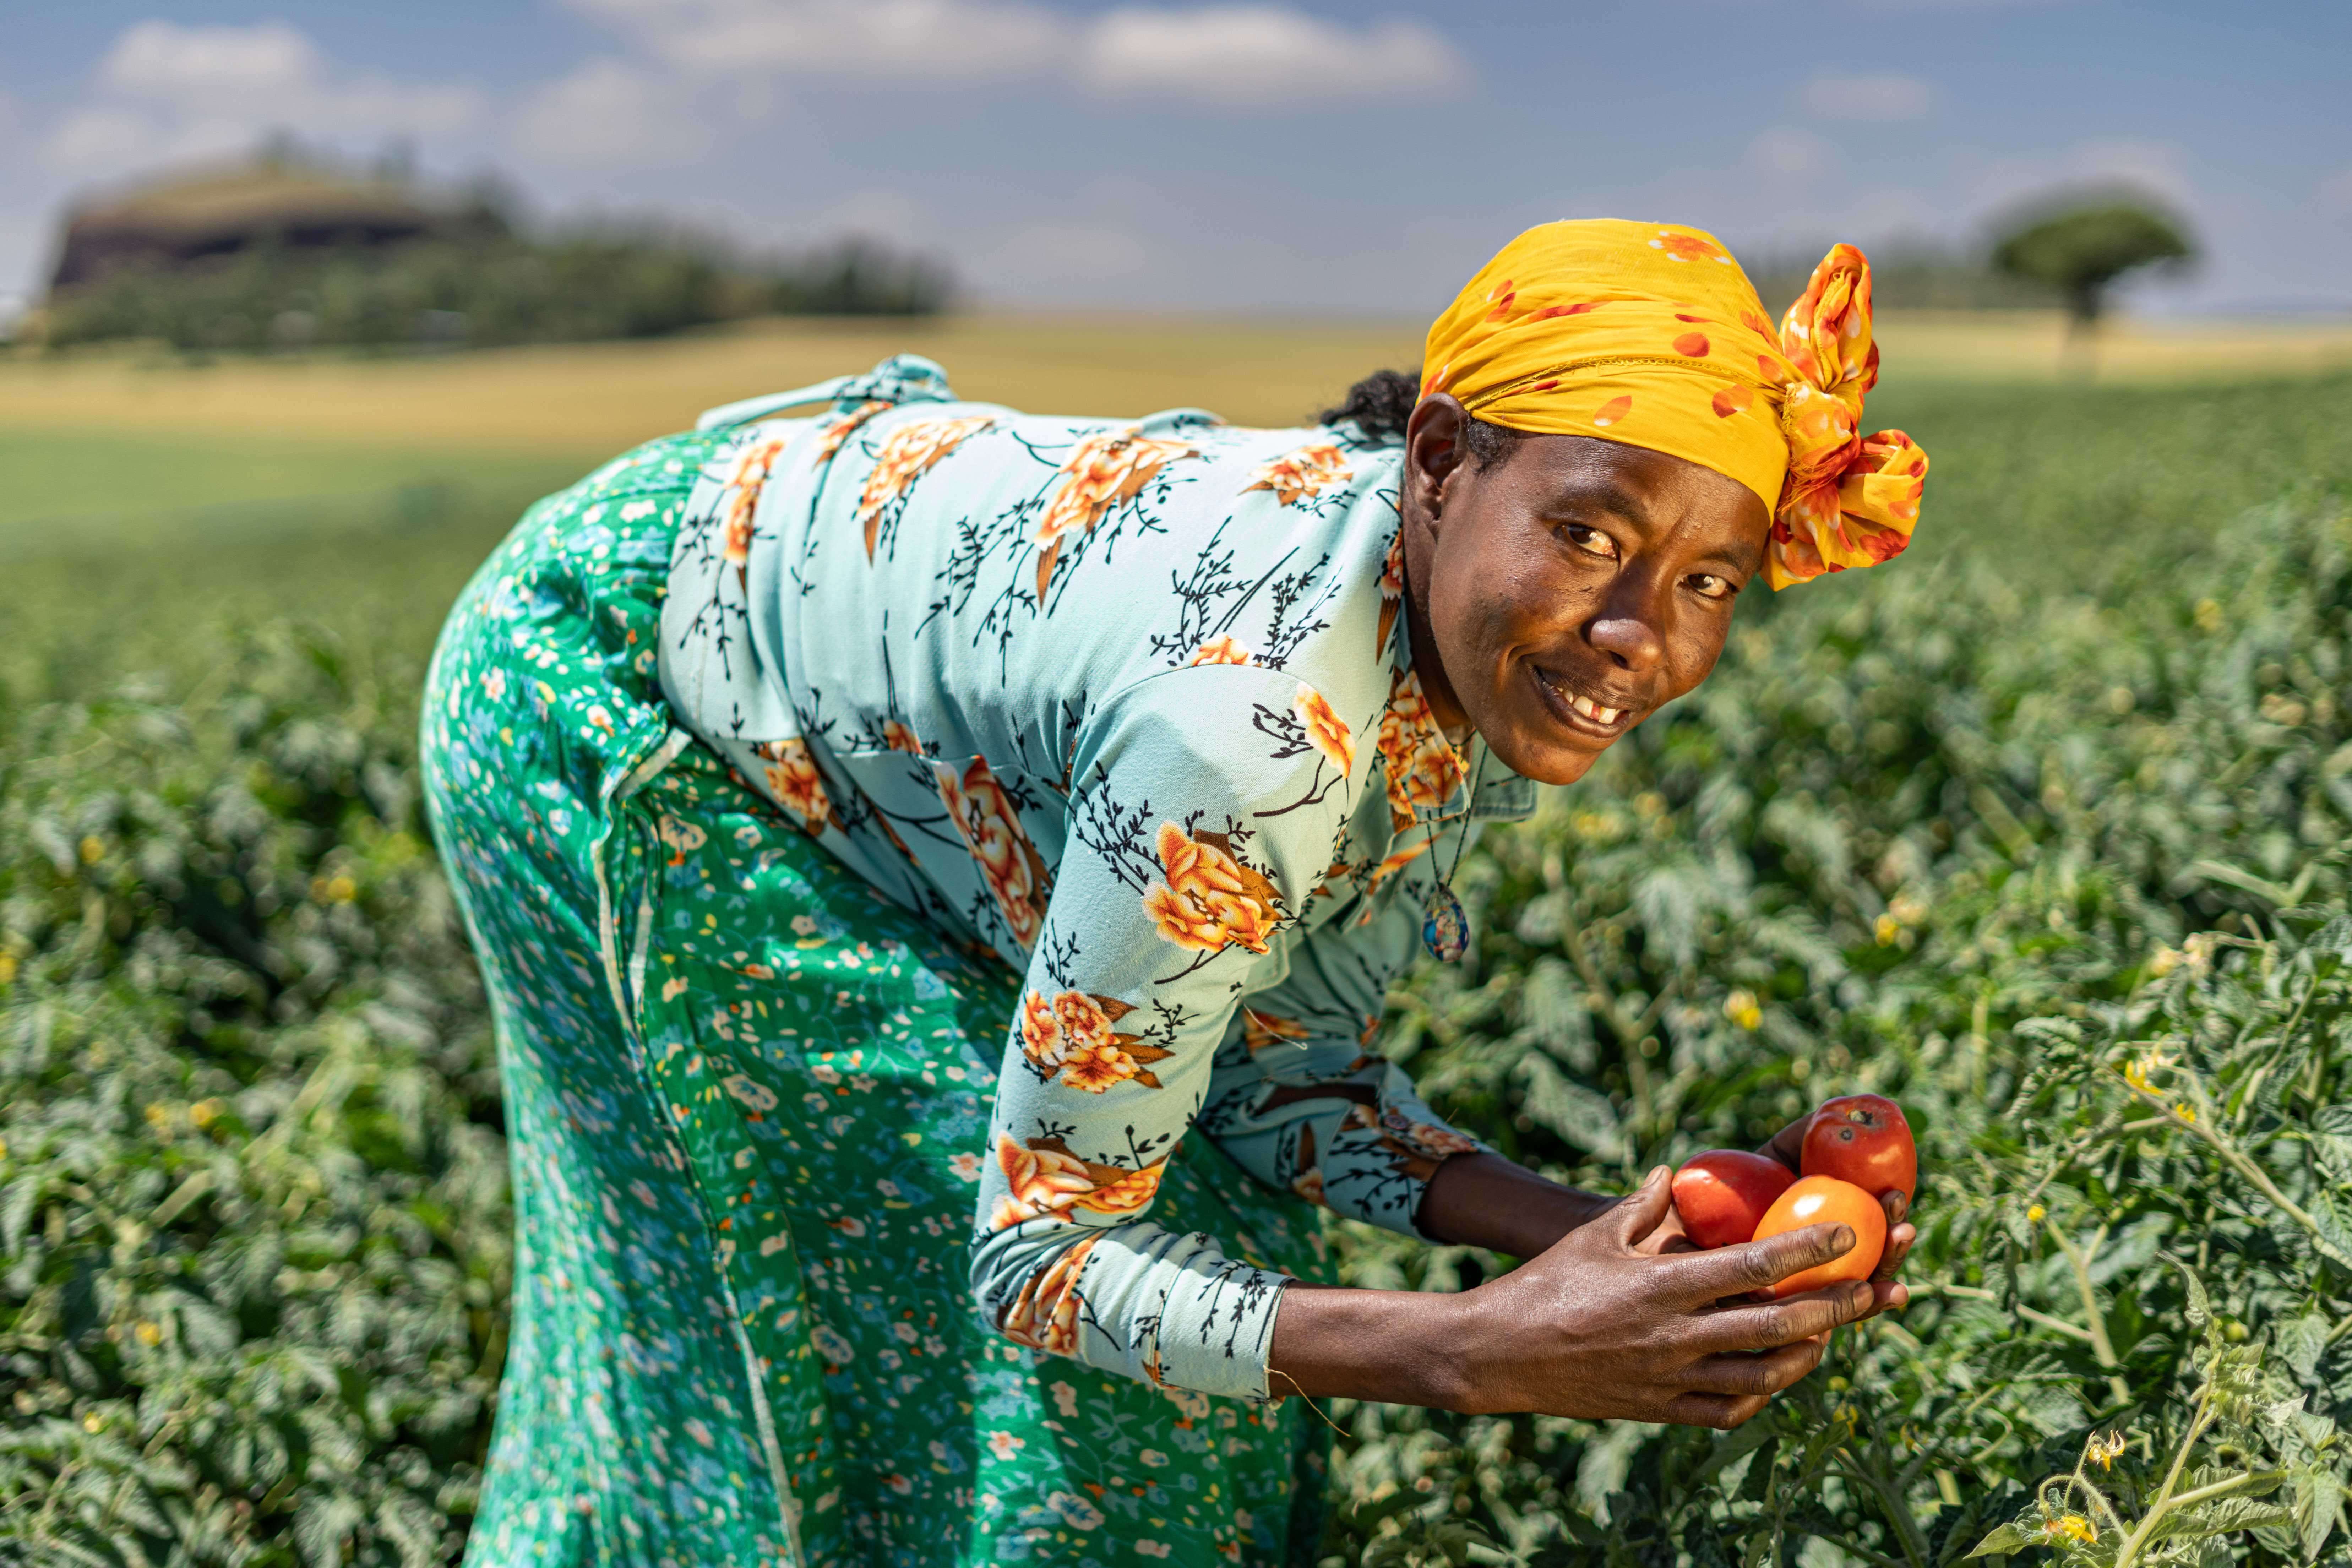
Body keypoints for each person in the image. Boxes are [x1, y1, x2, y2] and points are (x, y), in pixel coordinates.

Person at [421, 218, 1930, 1567]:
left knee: (1194, 1273)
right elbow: (1038, 1258)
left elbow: (1272, 1079)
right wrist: (1477, 1349)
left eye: (1706, 583)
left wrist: (1612, 1235)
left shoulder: (1440, 629)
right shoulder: (1255, 736)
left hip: (824, 652)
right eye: (1589, 536)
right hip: (621, 684)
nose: (1634, 635)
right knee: (875, 1328)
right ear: (1442, 465)